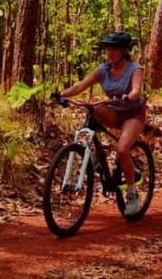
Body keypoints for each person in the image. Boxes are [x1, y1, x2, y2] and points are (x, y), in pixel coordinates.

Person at [50, 31, 145, 216]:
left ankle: (132, 193)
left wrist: (129, 96)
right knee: (94, 110)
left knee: (123, 148)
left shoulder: (134, 69)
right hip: (114, 111)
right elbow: (80, 85)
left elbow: (137, 90)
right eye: (108, 49)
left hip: (132, 113)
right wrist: (61, 95)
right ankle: (94, 153)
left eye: (115, 50)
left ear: (124, 51)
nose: (111, 53)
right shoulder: (103, 70)